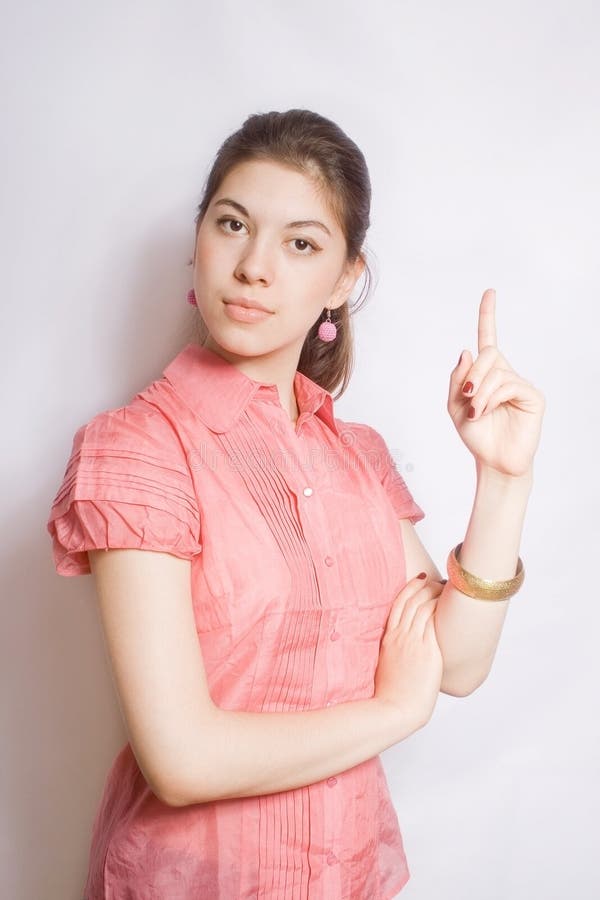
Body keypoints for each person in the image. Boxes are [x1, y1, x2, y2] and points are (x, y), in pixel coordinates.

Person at [46, 108, 545, 900]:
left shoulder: (357, 455)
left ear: (345, 279)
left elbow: (456, 664)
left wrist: (505, 479)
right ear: (198, 239)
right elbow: (181, 760)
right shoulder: (138, 448)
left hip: (345, 877)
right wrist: (393, 714)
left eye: (301, 243)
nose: (253, 267)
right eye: (232, 224)